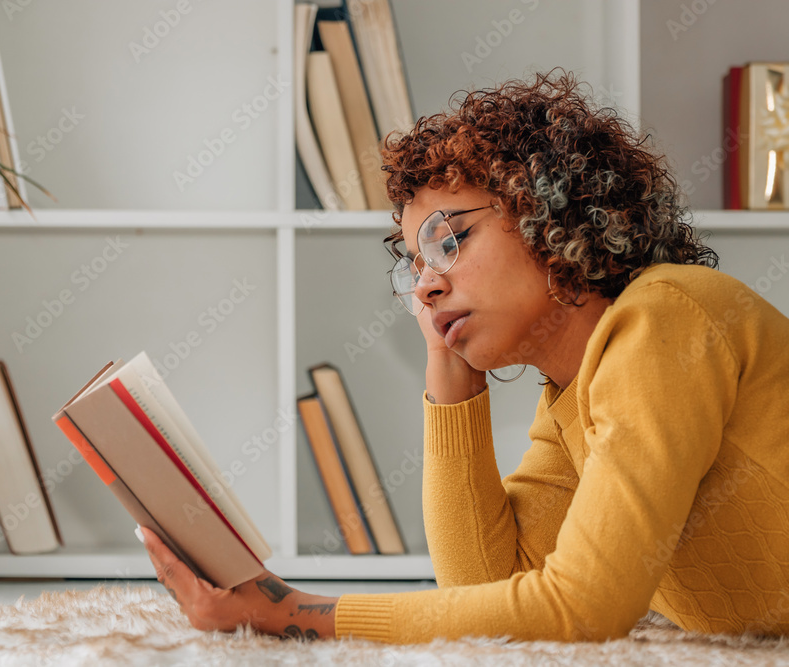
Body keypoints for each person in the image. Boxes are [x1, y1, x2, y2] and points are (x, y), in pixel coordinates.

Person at [139, 68, 789, 644]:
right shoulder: (575, 390)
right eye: (415, 266)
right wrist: (448, 367)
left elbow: (583, 607)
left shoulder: (666, 318)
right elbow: (484, 587)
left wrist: (297, 612)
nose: (424, 283)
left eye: (449, 241)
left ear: (548, 210)